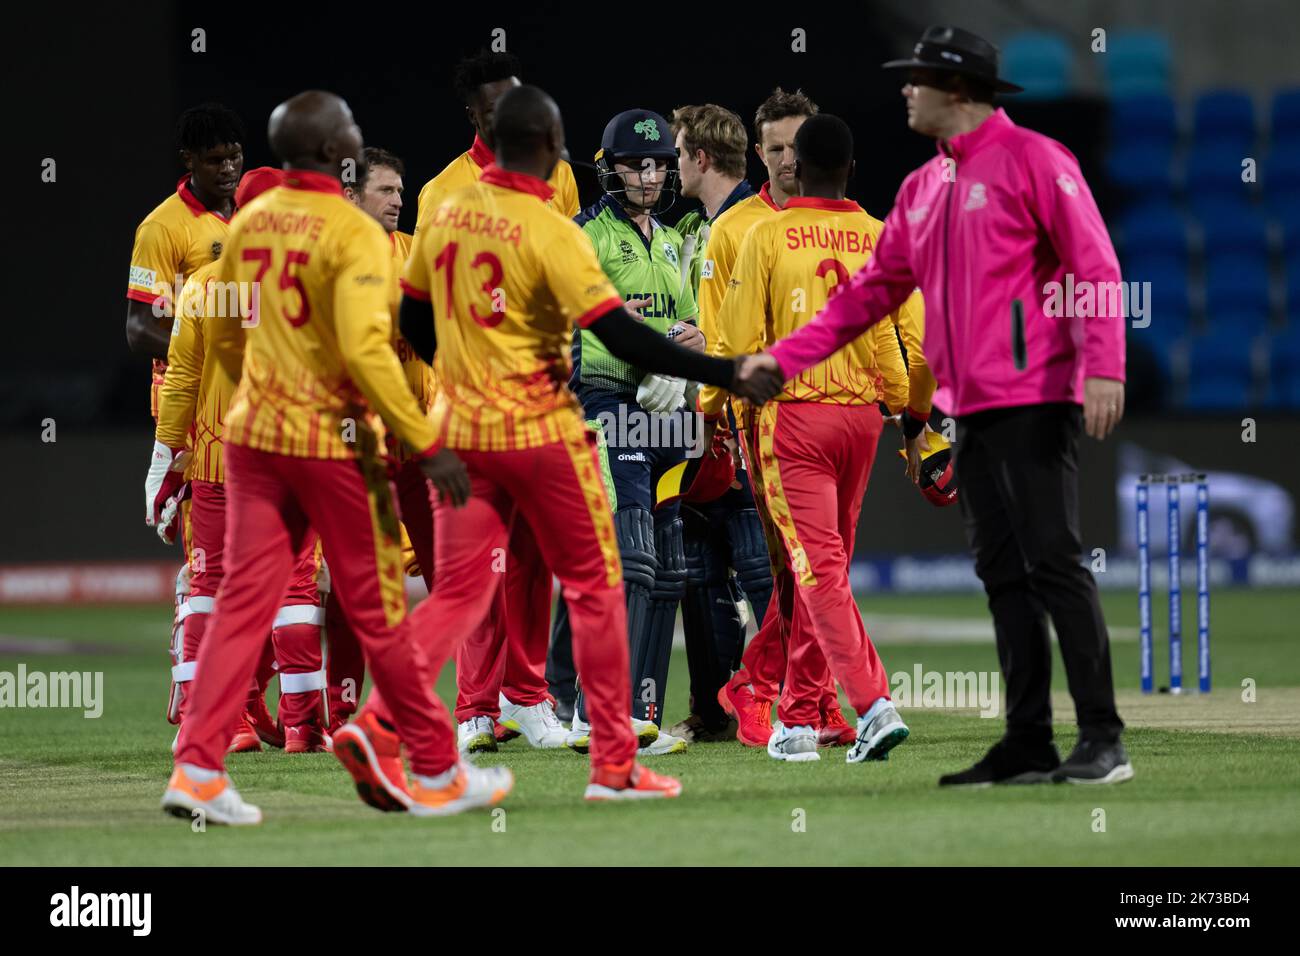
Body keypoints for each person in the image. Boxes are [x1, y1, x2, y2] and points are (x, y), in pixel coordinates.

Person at [742, 26, 1132, 786]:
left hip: (1037, 396)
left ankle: (1103, 738)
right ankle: (1028, 742)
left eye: (917, 78)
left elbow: (1095, 263)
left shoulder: (1037, 162)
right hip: (969, 409)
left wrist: (1104, 366)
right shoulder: (923, 189)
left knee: (1053, 560)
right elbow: (868, 297)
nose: (905, 90)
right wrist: (782, 359)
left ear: (958, 90)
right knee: (1000, 571)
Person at [389, 84, 781, 800]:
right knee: (601, 585)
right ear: (544, 146)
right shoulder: (553, 228)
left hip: (459, 424)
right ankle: (613, 766)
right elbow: (617, 334)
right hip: (542, 425)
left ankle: (380, 728)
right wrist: (726, 370)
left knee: (458, 594)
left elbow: (412, 326)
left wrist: (465, 368)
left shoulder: (444, 218)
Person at [161, 90, 506, 825]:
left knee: (242, 603)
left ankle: (196, 769)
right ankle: (436, 770)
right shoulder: (352, 233)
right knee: (378, 607)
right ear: (327, 151)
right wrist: (420, 437)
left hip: (255, 436)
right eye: (348, 127)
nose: (357, 133)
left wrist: (256, 382)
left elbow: (223, 333)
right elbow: (366, 349)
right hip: (330, 441)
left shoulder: (248, 224)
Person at [702, 113, 921, 762]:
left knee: (815, 570)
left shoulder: (766, 236)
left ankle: (874, 704)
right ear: (852, 170)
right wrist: (909, 417)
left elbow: (738, 343)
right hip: (861, 421)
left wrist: (709, 404)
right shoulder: (877, 235)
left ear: (794, 164)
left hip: (792, 417)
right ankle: (797, 718)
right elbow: (887, 335)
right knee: (823, 571)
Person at [416, 50, 572, 754]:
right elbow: (417, 311)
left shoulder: (559, 175)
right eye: (494, 104)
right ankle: (475, 708)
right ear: (473, 114)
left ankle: (529, 698)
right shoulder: (440, 191)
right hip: (472, 409)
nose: (508, 113)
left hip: (543, 403)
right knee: (478, 564)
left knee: (536, 557)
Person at [151, 166, 334, 755]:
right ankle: (305, 726)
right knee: (297, 588)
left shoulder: (202, 286)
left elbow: (179, 379)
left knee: (208, 588)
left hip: (217, 463)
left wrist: (165, 457)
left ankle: (222, 723)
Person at [555, 107, 705, 756]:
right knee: (630, 559)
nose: (645, 177)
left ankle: (639, 711)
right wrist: (636, 356)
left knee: (669, 566)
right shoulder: (583, 235)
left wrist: (687, 358)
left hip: (667, 408)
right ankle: (595, 713)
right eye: (632, 166)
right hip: (604, 400)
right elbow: (565, 326)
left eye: (655, 165)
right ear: (607, 169)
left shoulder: (673, 241)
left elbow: (692, 325)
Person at [665, 102, 773, 743]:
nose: (672, 166)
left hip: (744, 422)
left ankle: (793, 701)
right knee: (701, 573)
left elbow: (770, 327)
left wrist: (710, 344)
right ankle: (714, 709)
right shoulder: (697, 230)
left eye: (677, 154)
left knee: (760, 568)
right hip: (701, 426)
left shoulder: (754, 226)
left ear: (699, 158)